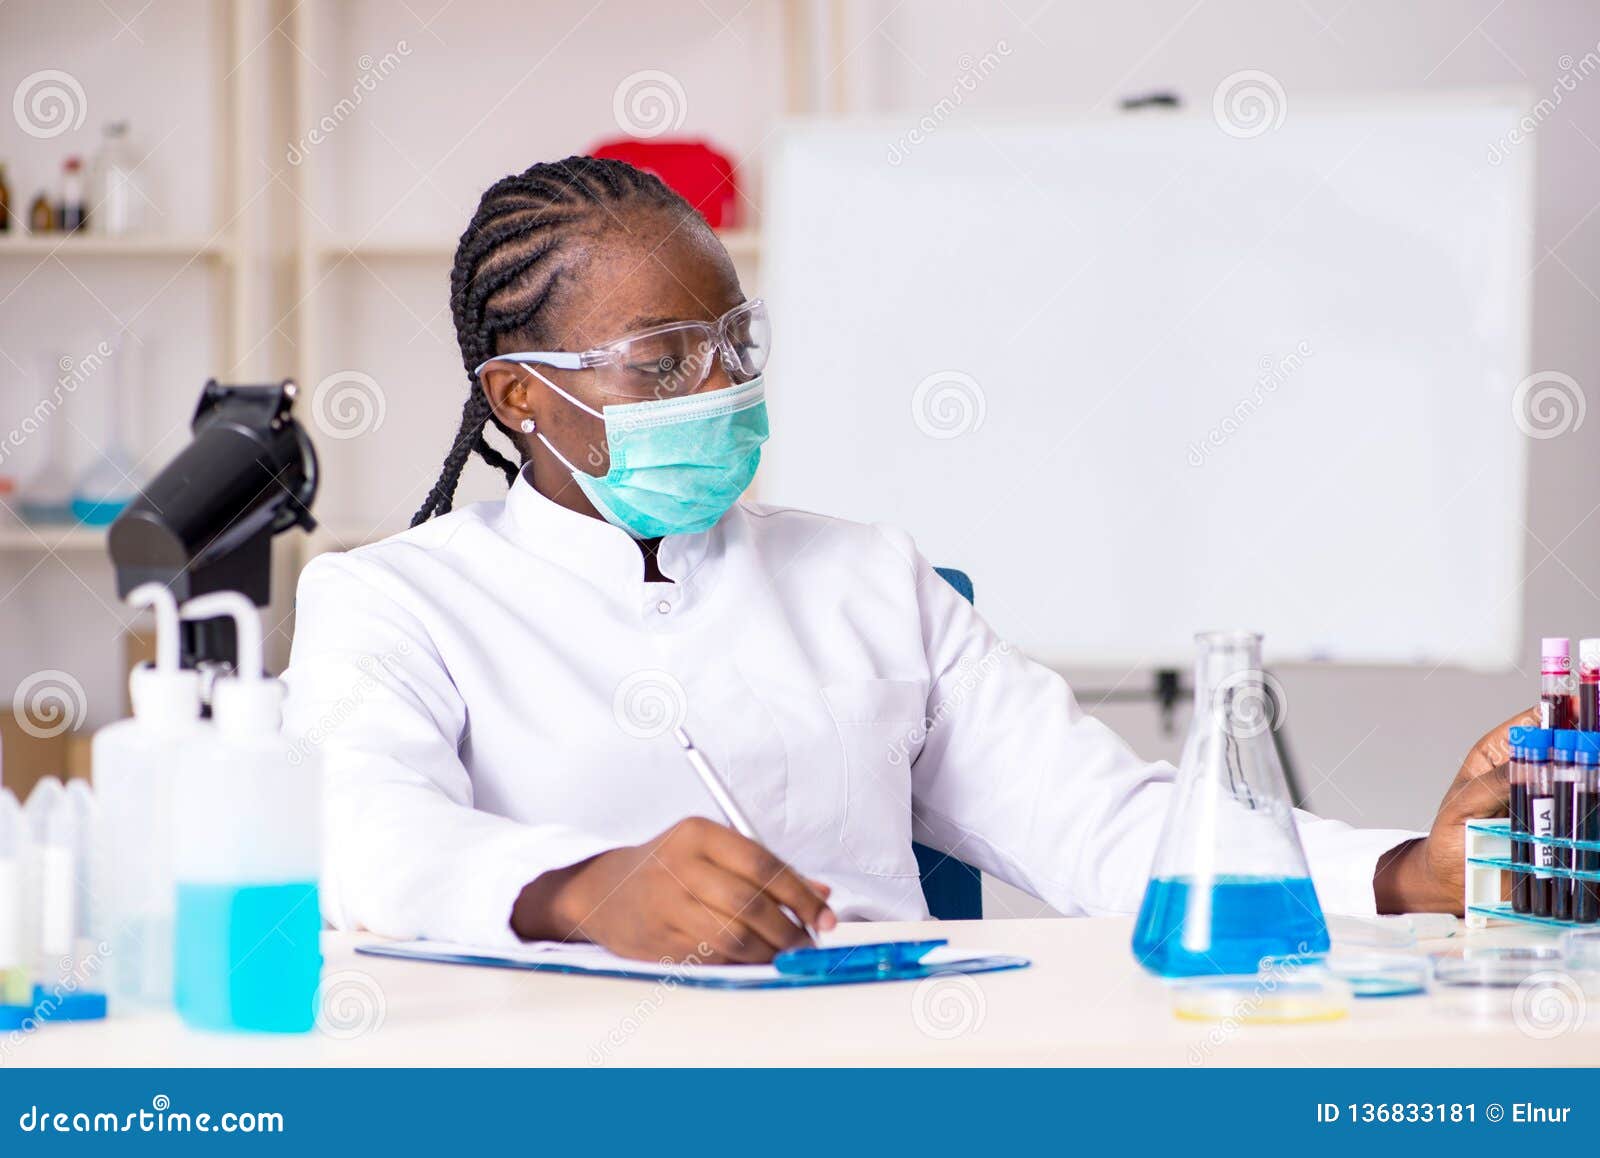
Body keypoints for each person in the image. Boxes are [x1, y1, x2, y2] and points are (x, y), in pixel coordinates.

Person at [282, 155, 1528, 964]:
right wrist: (578, 891)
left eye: (734, 340)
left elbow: (1098, 825)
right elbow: (360, 832)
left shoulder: (866, 575)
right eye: (662, 361)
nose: (719, 385)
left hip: (888, 1062)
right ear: (517, 398)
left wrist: (1403, 871)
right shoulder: (395, 598)